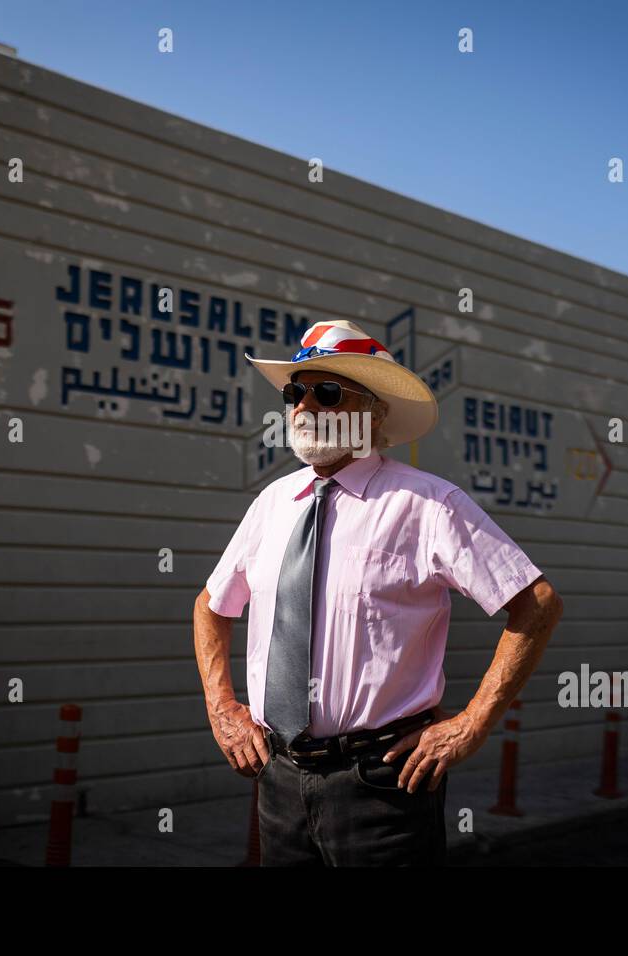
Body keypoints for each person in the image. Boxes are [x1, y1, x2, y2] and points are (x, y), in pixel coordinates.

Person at [192, 319, 563, 865]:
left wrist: (471, 724)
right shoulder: (273, 504)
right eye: (296, 392)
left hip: (384, 785)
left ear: (373, 413)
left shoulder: (429, 504)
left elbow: (536, 604)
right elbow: (210, 605)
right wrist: (222, 705)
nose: (302, 407)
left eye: (325, 392)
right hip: (279, 781)